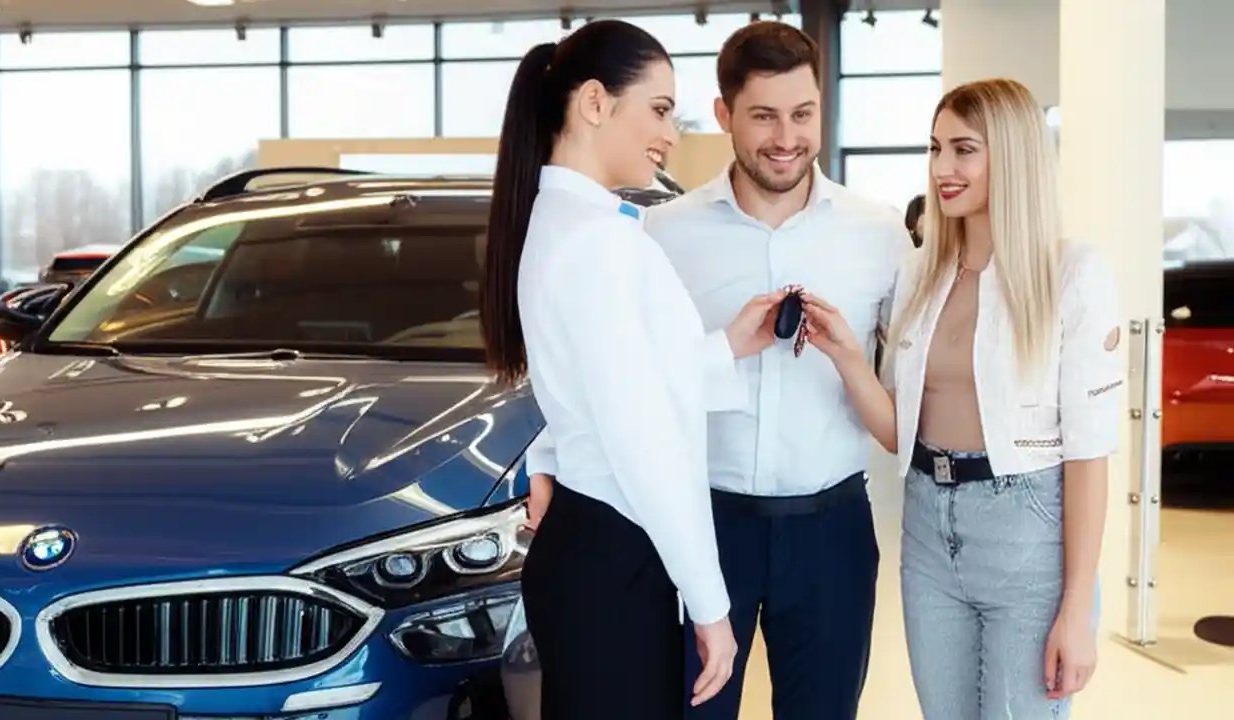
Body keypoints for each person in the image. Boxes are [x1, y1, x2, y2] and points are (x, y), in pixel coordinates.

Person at [525, 20, 910, 719]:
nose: (786, 137)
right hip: (705, 521)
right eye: (764, 116)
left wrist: (830, 355)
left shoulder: (879, 233)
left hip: (831, 531)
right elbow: (622, 390)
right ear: (727, 114)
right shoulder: (658, 231)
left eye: (803, 114)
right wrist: (551, 453)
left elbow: (628, 379)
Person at [480, 19, 787, 720]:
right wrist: (711, 605)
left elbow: (622, 387)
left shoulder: (562, 224)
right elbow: (644, 439)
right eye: (657, 109)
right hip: (615, 553)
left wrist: (725, 347)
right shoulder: (600, 242)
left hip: (591, 549)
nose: (671, 133)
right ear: (594, 102)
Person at [799, 77, 1121, 719]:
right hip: (925, 525)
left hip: (1027, 528)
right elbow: (899, 430)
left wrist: (1077, 607)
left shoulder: (1073, 273)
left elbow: (1090, 455)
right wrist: (845, 356)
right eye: (936, 148)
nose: (943, 169)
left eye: (964, 150)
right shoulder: (923, 270)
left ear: (1012, 155)